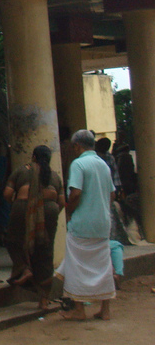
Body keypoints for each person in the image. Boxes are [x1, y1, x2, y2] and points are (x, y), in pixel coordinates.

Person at [56, 129, 116, 321]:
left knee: (76, 266)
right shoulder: (103, 165)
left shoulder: (79, 164)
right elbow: (112, 194)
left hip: (82, 223)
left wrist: (69, 211)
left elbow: (75, 193)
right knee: (103, 265)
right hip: (102, 223)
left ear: (77, 146)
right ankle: (105, 310)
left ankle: (79, 309)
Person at [3, 145, 64, 309]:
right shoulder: (55, 176)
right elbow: (62, 202)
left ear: (34, 157)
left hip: (22, 207)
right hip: (49, 210)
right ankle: (44, 300)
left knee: (14, 242)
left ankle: (24, 269)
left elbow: (7, 194)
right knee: (45, 251)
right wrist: (48, 213)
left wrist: (22, 205)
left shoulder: (21, 171)